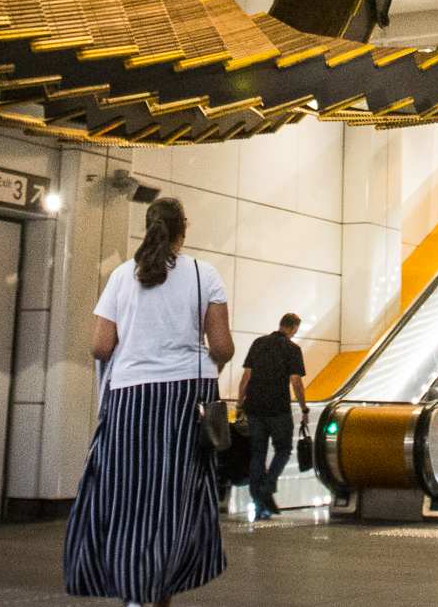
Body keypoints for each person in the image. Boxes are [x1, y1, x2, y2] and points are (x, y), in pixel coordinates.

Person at [66, 196, 233, 603]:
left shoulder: (123, 275)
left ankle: (132, 590)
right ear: (184, 229)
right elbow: (223, 345)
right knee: (176, 498)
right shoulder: (203, 274)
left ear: (148, 226)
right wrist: (208, 364)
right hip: (184, 398)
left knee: (127, 495)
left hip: (130, 399)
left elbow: (101, 345)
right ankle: (157, 589)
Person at [238, 312, 308, 520]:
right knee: (284, 450)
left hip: (254, 407)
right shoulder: (292, 349)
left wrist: (241, 403)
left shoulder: (258, 343)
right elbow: (296, 381)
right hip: (278, 409)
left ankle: (258, 499)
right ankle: (267, 487)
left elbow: (246, 376)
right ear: (294, 327)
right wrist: (304, 409)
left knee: (257, 453)